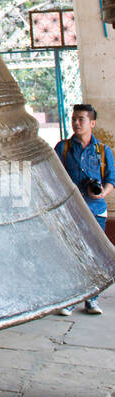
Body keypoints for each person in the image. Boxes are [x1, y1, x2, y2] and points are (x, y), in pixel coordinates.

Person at [54, 103, 114, 314]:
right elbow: (55, 176)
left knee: (95, 254)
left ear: (92, 123)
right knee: (71, 253)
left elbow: (110, 180)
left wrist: (102, 193)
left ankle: (92, 299)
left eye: (81, 119)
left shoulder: (103, 151)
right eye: (74, 119)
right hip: (70, 208)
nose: (76, 123)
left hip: (95, 209)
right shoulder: (63, 148)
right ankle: (71, 299)